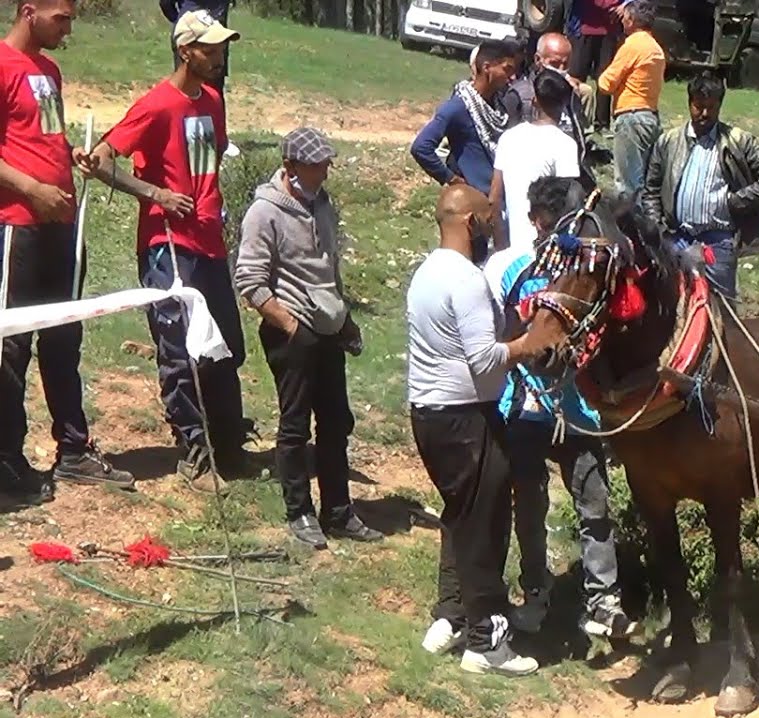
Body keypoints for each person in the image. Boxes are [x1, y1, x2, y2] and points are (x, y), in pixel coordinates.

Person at [80, 11, 248, 490]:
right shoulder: (156, 104)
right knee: (178, 350)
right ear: (185, 51)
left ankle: (227, 442)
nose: (218, 59)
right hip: (167, 244)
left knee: (225, 345)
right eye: (210, 51)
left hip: (210, 240)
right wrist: (156, 194)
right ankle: (192, 451)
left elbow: (213, 156)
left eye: (221, 50)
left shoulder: (213, 101)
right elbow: (100, 160)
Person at [409, 184, 554, 676]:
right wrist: (531, 344)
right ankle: (486, 639)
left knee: (461, 516)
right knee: (485, 526)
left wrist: (518, 321)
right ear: (471, 222)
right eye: (490, 216)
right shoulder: (467, 280)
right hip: (466, 417)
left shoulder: (427, 273)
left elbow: (475, 336)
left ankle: (453, 615)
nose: (496, 224)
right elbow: (485, 359)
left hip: (431, 414)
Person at [484, 175, 636, 640]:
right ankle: (536, 592)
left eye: (564, 226)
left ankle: (604, 601)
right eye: (550, 226)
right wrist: (530, 338)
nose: (558, 235)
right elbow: (494, 332)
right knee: (529, 505)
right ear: (533, 221)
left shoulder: (584, 265)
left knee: (595, 503)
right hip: (524, 407)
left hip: (579, 409)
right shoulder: (509, 268)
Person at [0, 0, 135, 505]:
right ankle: (7, 459)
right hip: (19, 226)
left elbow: (42, 135)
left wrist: (67, 159)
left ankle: (73, 448)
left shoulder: (49, 71)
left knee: (63, 338)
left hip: (62, 227)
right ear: (28, 11)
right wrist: (32, 189)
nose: (69, 28)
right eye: (62, 18)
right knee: (10, 345)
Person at [234, 127, 382, 549]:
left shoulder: (322, 204)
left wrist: (344, 319)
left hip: (328, 328)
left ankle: (338, 511)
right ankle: (299, 511)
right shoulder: (265, 214)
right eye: (316, 165)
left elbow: (328, 266)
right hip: (293, 331)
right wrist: (290, 325)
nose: (324, 172)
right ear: (291, 166)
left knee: (336, 422)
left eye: (326, 163)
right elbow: (250, 279)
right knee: (295, 425)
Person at [642, 73, 759, 302]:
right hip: (677, 239)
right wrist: (658, 230)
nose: (705, 114)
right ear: (689, 103)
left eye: (712, 107)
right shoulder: (668, 141)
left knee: (722, 310)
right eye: (699, 107)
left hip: (717, 242)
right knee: (673, 306)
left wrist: (736, 200)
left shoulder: (737, 141)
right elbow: (651, 189)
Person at [410, 39, 520, 198]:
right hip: (475, 200)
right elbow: (421, 147)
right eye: (507, 69)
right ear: (487, 67)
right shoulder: (458, 107)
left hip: (500, 197)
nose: (512, 77)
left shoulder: (501, 106)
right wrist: (452, 180)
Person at [489, 70, 580, 253]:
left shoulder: (509, 138)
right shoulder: (565, 145)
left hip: (511, 249)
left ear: (534, 100)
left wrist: (501, 246)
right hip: (545, 252)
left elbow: (494, 199)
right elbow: (570, 204)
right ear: (564, 104)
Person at [597, 0, 665, 196]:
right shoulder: (655, 47)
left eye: (625, 17)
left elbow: (605, 84)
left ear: (632, 20)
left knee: (627, 185)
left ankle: (629, 225)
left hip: (631, 118)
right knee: (645, 182)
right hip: (650, 117)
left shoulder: (632, 46)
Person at [567, 0, 622, 131]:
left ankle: (602, 124)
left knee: (605, 78)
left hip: (609, 30)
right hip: (583, 29)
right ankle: (571, 116)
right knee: (576, 76)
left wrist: (624, 6)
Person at [159, 1, 231, 98]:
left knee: (213, 93)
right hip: (193, 36)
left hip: (217, 35)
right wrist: (182, 25)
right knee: (187, 87)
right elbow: (166, 3)